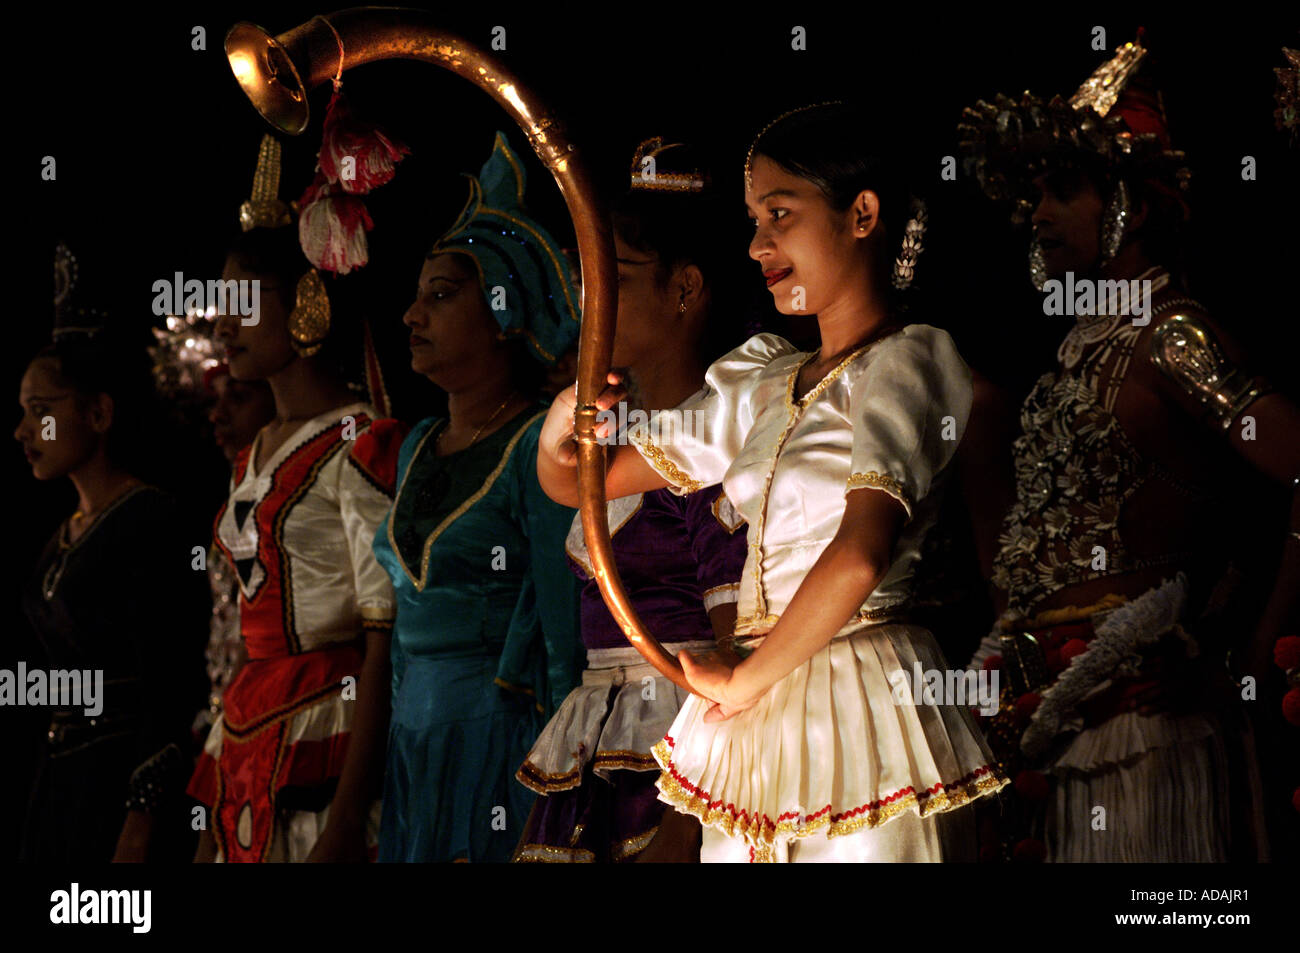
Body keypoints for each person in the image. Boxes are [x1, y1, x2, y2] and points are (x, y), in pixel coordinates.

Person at [538, 103, 1008, 862]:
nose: (758, 244)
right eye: (754, 219)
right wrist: (564, 430)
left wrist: (746, 676)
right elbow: (580, 486)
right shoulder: (763, 379)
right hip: (755, 705)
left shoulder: (907, 362)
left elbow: (860, 554)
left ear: (862, 215)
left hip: (857, 689)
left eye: (781, 214)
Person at [957, 37, 1300, 861]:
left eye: (1063, 190)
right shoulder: (1079, 343)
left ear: (1132, 206)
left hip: (1153, 726)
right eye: (1032, 193)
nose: (1037, 214)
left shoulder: (1170, 334)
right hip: (1054, 721)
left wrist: (1247, 655)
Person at [512, 139, 748, 863]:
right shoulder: (618, 436)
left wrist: (689, 821)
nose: (591, 298)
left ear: (685, 288)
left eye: (616, 275)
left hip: (679, 758)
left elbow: (734, 646)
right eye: (587, 277)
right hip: (600, 746)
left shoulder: (719, 438)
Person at [188, 135, 405, 862]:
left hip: (327, 732)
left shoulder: (362, 440)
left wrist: (347, 820)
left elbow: (385, 638)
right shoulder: (255, 449)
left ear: (309, 301)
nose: (223, 324)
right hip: (249, 728)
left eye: (244, 303)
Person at [374, 132, 583, 862]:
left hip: (501, 748)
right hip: (411, 749)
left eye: (441, 295)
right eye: (416, 295)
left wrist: (555, 796)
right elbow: (400, 634)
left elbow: (563, 641)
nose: (411, 315)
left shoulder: (539, 444)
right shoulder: (417, 441)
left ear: (506, 310)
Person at [16, 244, 208, 863]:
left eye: (41, 413)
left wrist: (141, 818)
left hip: (118, 794)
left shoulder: (149, 521)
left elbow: (171, 685)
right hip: (62, 788)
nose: (23, 432)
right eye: (23, 415)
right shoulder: (63, 536)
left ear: (100, 413)